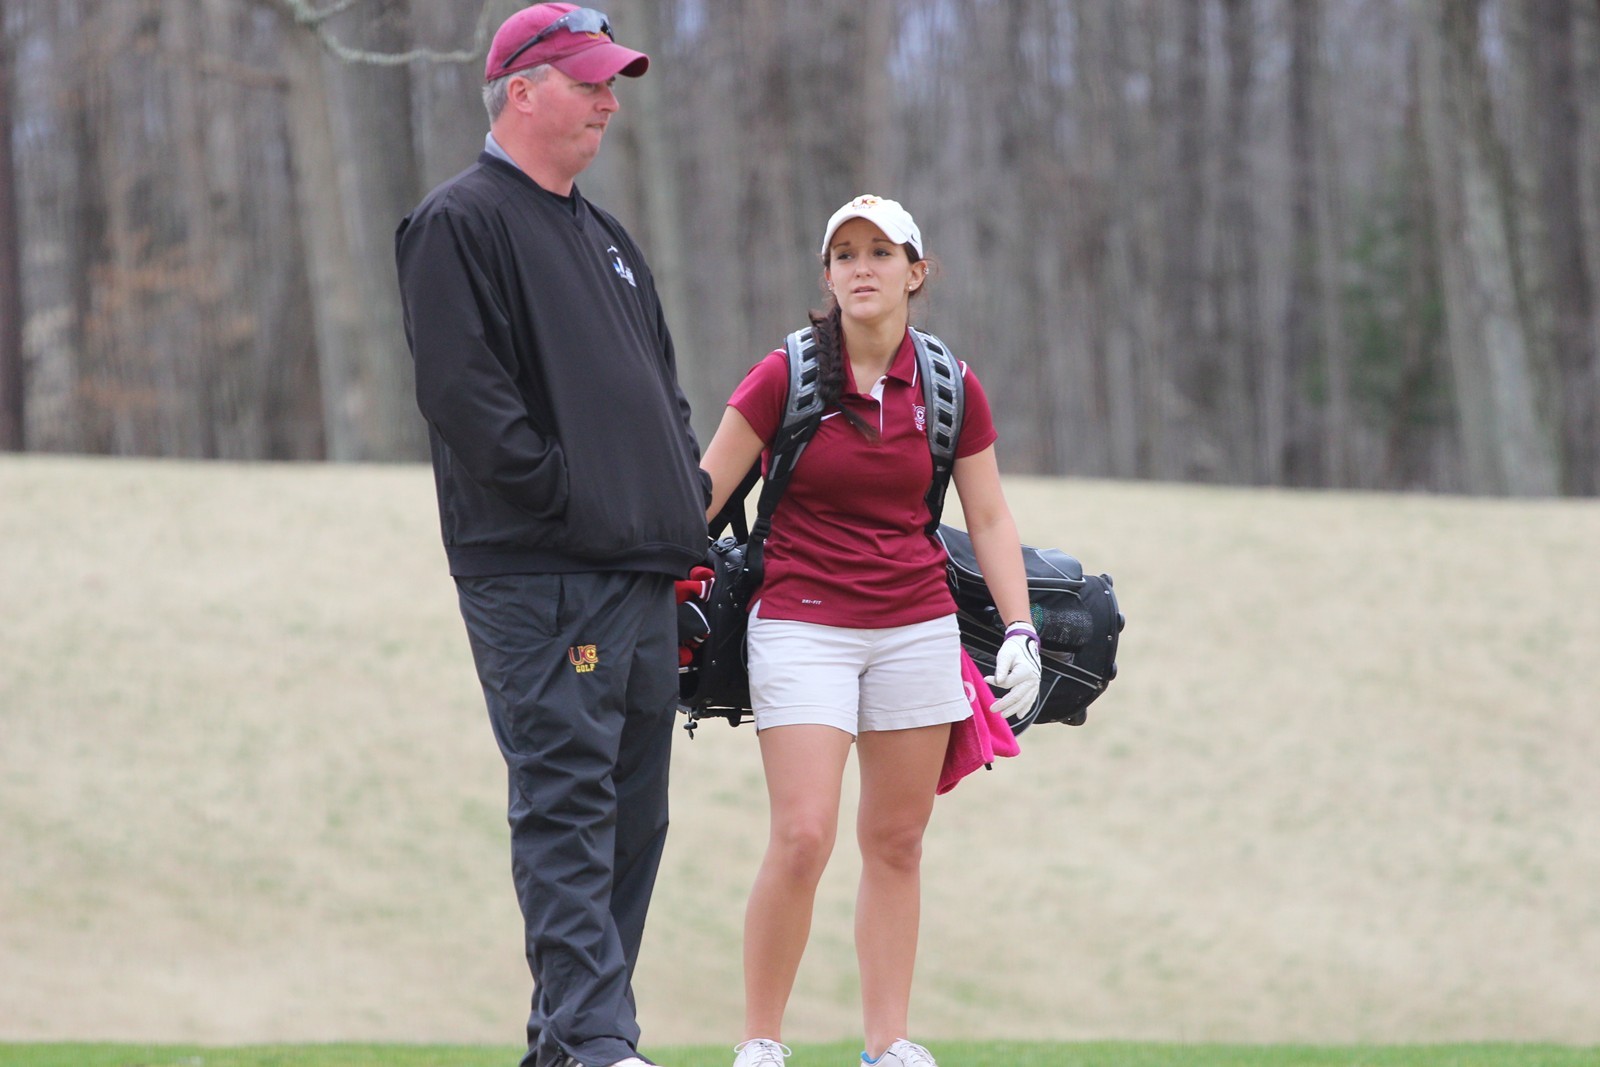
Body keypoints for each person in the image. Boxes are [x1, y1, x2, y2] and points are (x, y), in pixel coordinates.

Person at [394, 7, 710, 1067]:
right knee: (568, 799)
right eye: (588, 82)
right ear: (521, 92)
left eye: (612, 82)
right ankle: (596, 1036)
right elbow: (463, 395)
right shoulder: (460, 220)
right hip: (542, 570)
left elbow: (660, 395)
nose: (609, 102)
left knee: (633, 817)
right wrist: (567, 497)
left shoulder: (606, 238)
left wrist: (676, 520)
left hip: (635, 573)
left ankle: (569, 1042)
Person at [697, 195, 1043, 1067]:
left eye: (880, 252)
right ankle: (761, 1039)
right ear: (827, 276)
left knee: (896, 839)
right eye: (844, 253)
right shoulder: (784, 374)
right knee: (803, 832)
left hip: (916, 625)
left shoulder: (950, 383)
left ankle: (887, 1042)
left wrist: (1020, 630)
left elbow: (990, 517)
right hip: (802, 621)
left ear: (915, 273)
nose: (861, 267)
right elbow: (699, 495)